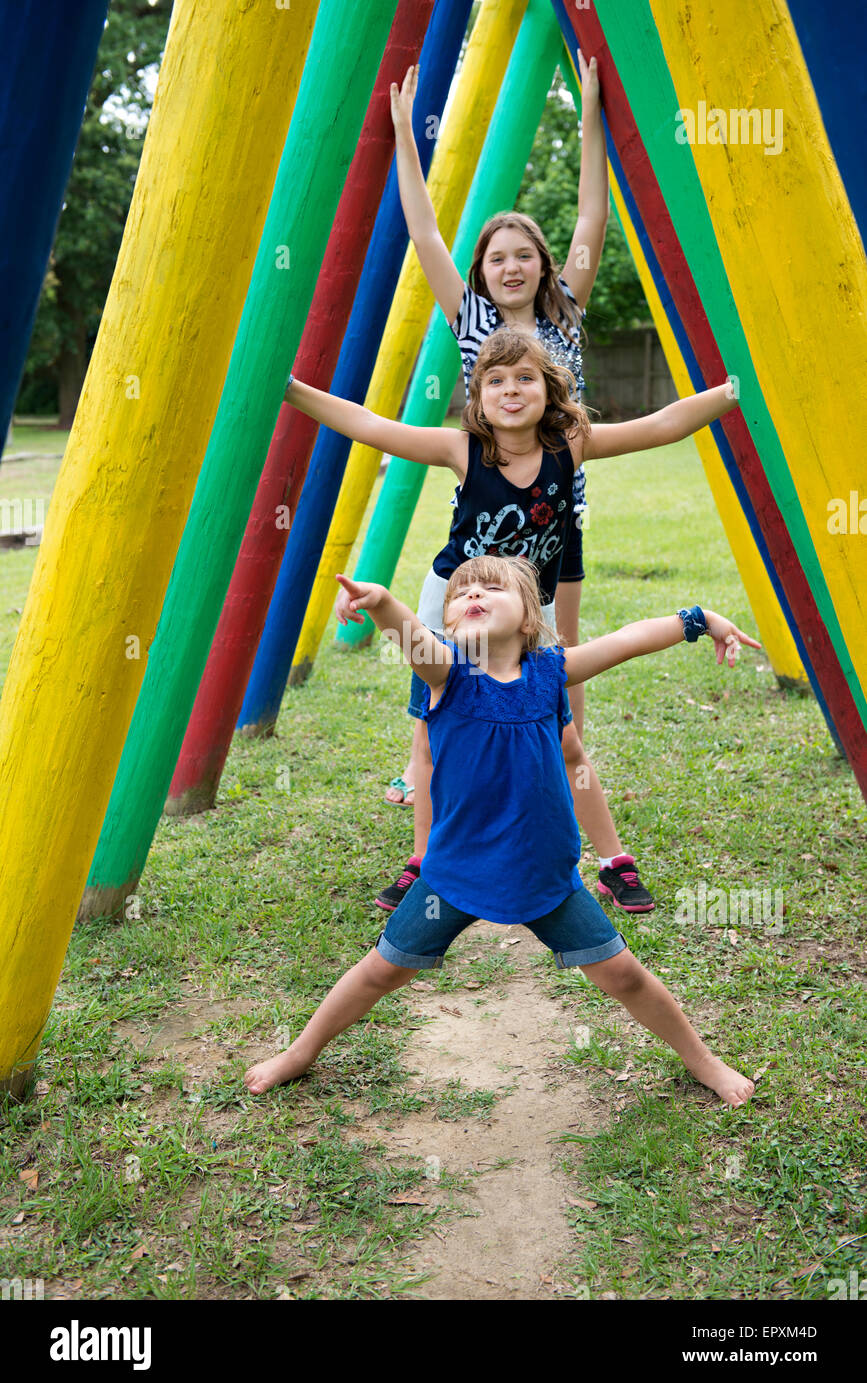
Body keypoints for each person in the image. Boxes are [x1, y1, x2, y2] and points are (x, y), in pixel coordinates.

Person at [244, 553, 759, 1108]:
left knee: (625, 977)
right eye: (461, 594)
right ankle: (299, 1053)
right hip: (453, 879)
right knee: (379, 972)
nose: (473, 596)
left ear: (530, 617)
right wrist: (383, 603)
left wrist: (700, 619)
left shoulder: (551, 672)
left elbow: (629, 639)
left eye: (491, 588)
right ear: (448, 626)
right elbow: (411, 636)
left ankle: (702, 1060)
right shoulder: (447, 676)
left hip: (545, 879)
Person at [281, 328, 739, 925]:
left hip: (527, 610)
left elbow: (664, 424)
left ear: (549, 390)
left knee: (565, 735)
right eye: (495, 380)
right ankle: (425, 864)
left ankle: (611, 860)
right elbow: (371, 426)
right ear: (478, 397)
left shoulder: (569, 446)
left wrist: (731, 392)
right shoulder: (462, 451)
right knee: (430, 734)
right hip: (458, 604)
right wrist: (291, 390)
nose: (511, 389)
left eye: (525, 377)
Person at [382, 53, 655, 916]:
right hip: (480, 550)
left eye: (522, 256)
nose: (510, 266)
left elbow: (589, 218)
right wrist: (403, 135)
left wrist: (590, 120)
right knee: (440, 701)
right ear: (483, 269)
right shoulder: (465, 317)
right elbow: (424, 232)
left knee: (559, 691)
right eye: (496, 256)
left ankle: (598, 849)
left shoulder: (567, 313)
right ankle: (427, 855)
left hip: (553, 540)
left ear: (543, 268)